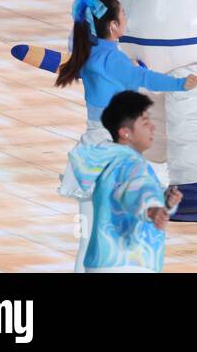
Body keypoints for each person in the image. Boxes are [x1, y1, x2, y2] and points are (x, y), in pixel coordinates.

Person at [55, 0, 197, 272]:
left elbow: (132, 76)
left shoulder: (87, 53)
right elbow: (144, 78)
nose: (126, 18)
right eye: (123, 14)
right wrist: (183, 84)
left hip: (91, 147)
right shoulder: (114, 61)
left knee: (89, 236)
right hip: (113, 151)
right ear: (114, 26)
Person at [75, 90, 182, 273]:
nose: (152, 128)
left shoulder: (114, 160)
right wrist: (152, 210)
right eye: (145, 122)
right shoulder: (130, 163)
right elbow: (137, 192)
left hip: (106, 261)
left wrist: (164, 203)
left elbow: (125, 193)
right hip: (128, 262)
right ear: (126, 133)